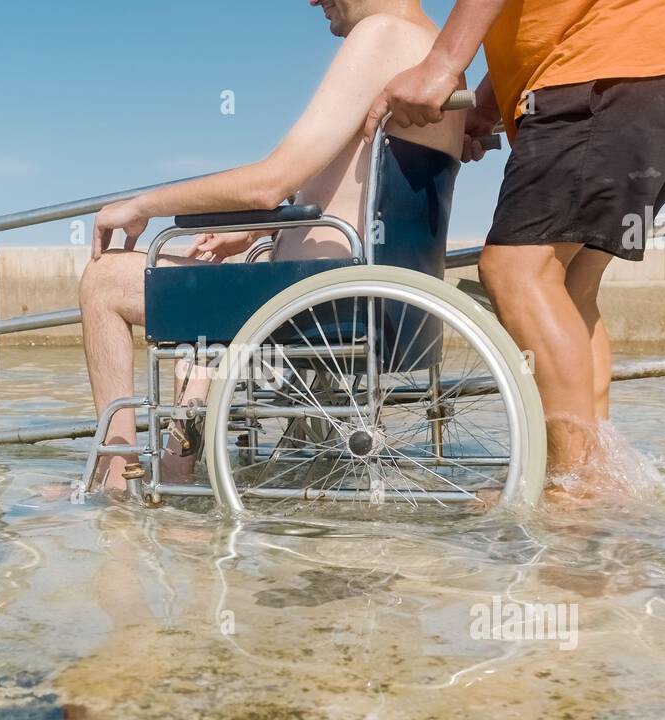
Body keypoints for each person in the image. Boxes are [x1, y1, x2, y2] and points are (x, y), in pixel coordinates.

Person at [83, 0, 465, 491]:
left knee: (104, 279)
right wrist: (260, 229)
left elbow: (269, 181)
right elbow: (359, 194)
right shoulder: (436, 53)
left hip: (319, 302)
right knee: (208, 303)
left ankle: (114, 477)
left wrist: (142, 205)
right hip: (385, 303)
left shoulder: (383, 36)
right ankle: (175, 471)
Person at [365, 0, 665, 484]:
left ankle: (571, 487)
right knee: (569, 284)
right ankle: (594, 477)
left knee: (515, 270)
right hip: (658, 62)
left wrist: (442, 65)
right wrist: (486, 103)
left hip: (606, 60)